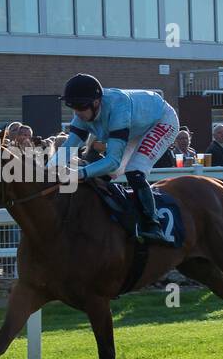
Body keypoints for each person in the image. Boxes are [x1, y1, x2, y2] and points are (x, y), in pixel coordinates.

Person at [53, 74, 179, 245]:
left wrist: (80, 173)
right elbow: (69, 146)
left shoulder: (118, 107)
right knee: (105, 174)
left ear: (96, 102)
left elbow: (113, 160)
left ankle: (153, 225)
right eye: (72, 107)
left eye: (79, 107)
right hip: (134, 127)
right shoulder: (85, 110)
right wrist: (46, 171)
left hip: (161, 120)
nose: (77, 113)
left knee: (134, 171)